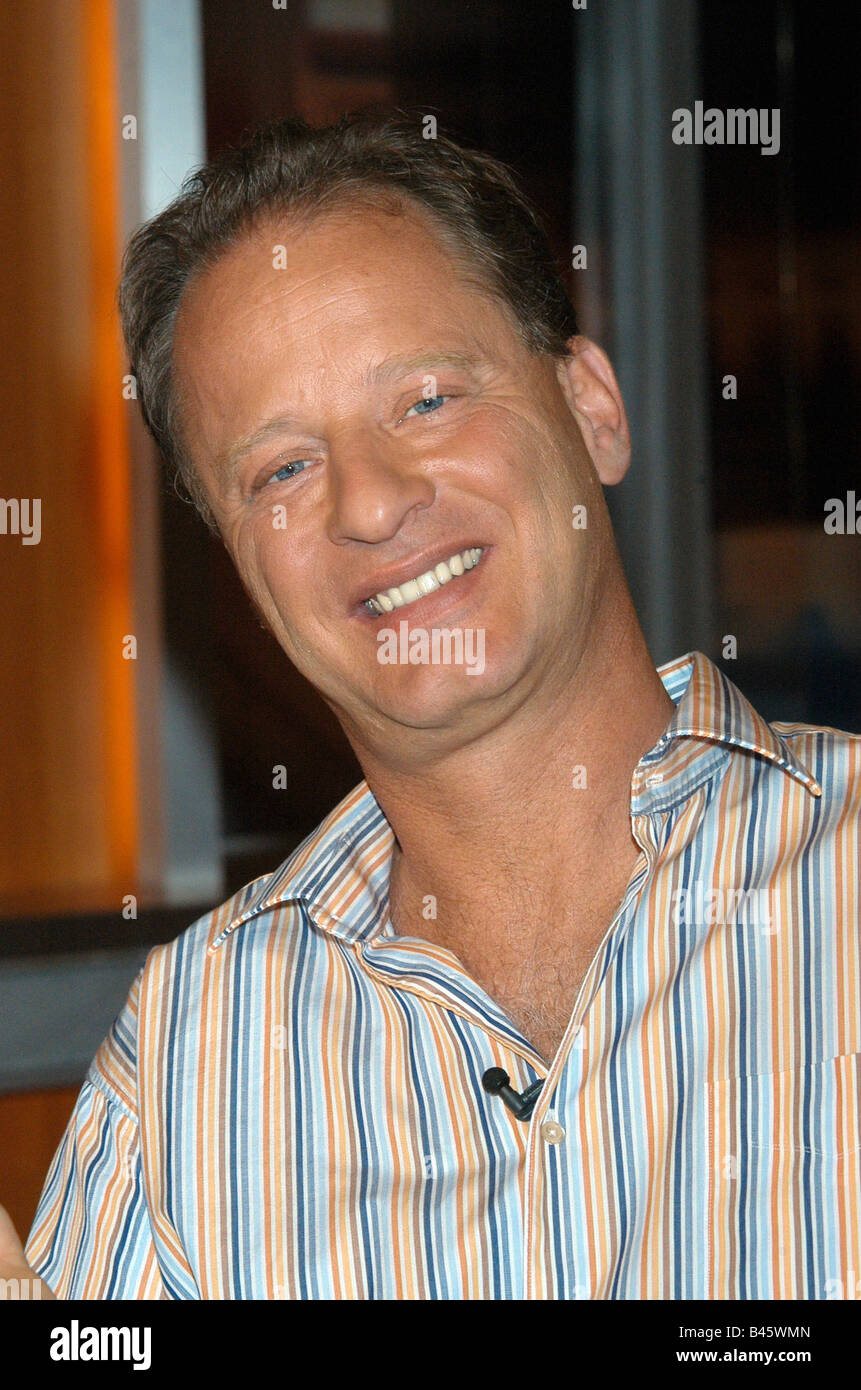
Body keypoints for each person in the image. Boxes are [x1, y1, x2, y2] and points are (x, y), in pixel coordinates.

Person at [5, 113, 860, 1300]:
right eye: (282, 469)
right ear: (242, 571)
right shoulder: (194, 1059)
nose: (367, 501)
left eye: (425, 400)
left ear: (594, 408)